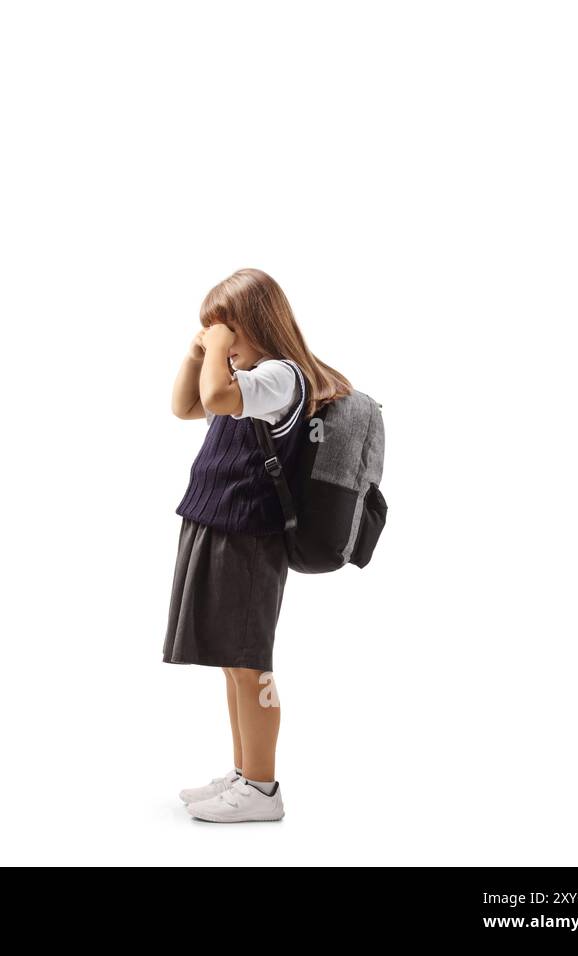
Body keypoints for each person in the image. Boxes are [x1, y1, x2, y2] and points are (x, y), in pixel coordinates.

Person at [164, 268, 350, 823]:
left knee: (250, 665)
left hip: (250, 534)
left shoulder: (279, 377)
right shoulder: (248, 374)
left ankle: (263, 789)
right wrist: (200, 349)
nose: (221, 342)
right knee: (231, 661)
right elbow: (186, 405)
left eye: (228, 330)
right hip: (218, 523)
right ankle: (246, 773)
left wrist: (216, 346)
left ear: (254, 325)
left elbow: (216, 398)